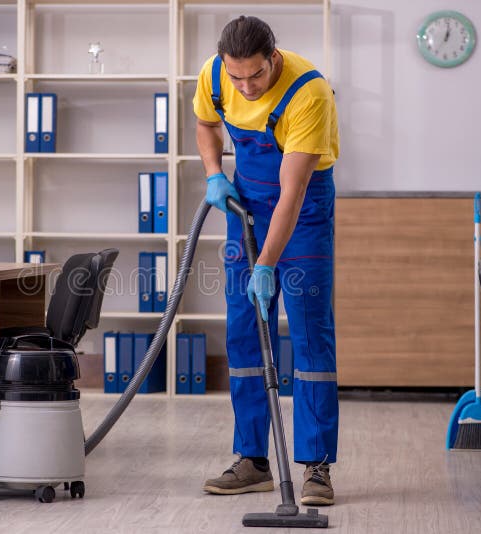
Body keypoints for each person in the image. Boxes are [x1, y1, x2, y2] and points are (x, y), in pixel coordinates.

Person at [194, 15, 340, 506]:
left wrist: (267, 263)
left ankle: (316, 467)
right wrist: (215, 173)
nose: (245, 87)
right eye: (236, 77)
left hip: (304, 211)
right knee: (244, 333)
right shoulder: (215, 75)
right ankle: (253, 459)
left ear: (272, 59)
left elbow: (293, 192)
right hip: (245, 206)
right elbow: (205, 125)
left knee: (308, 332)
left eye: (254, 75)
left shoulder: (308, 92)